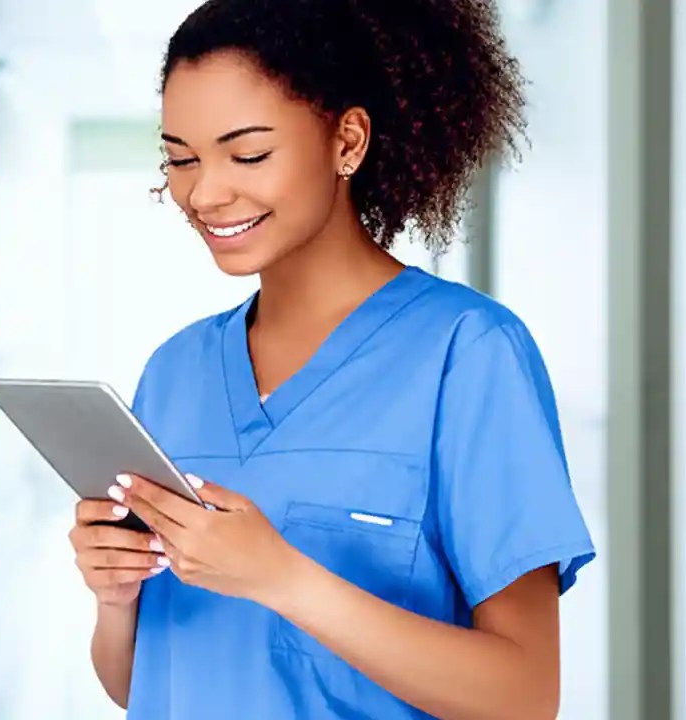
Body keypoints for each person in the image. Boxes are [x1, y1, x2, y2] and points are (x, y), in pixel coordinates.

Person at [66, 0, 596, 717]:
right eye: (181, 158)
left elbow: (524, 696)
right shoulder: (175, 370)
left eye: (247, 153)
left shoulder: (466, 355)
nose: (205, 192)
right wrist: (116, 599)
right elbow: (140, 684)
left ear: (347, 141)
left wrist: (281, 577)